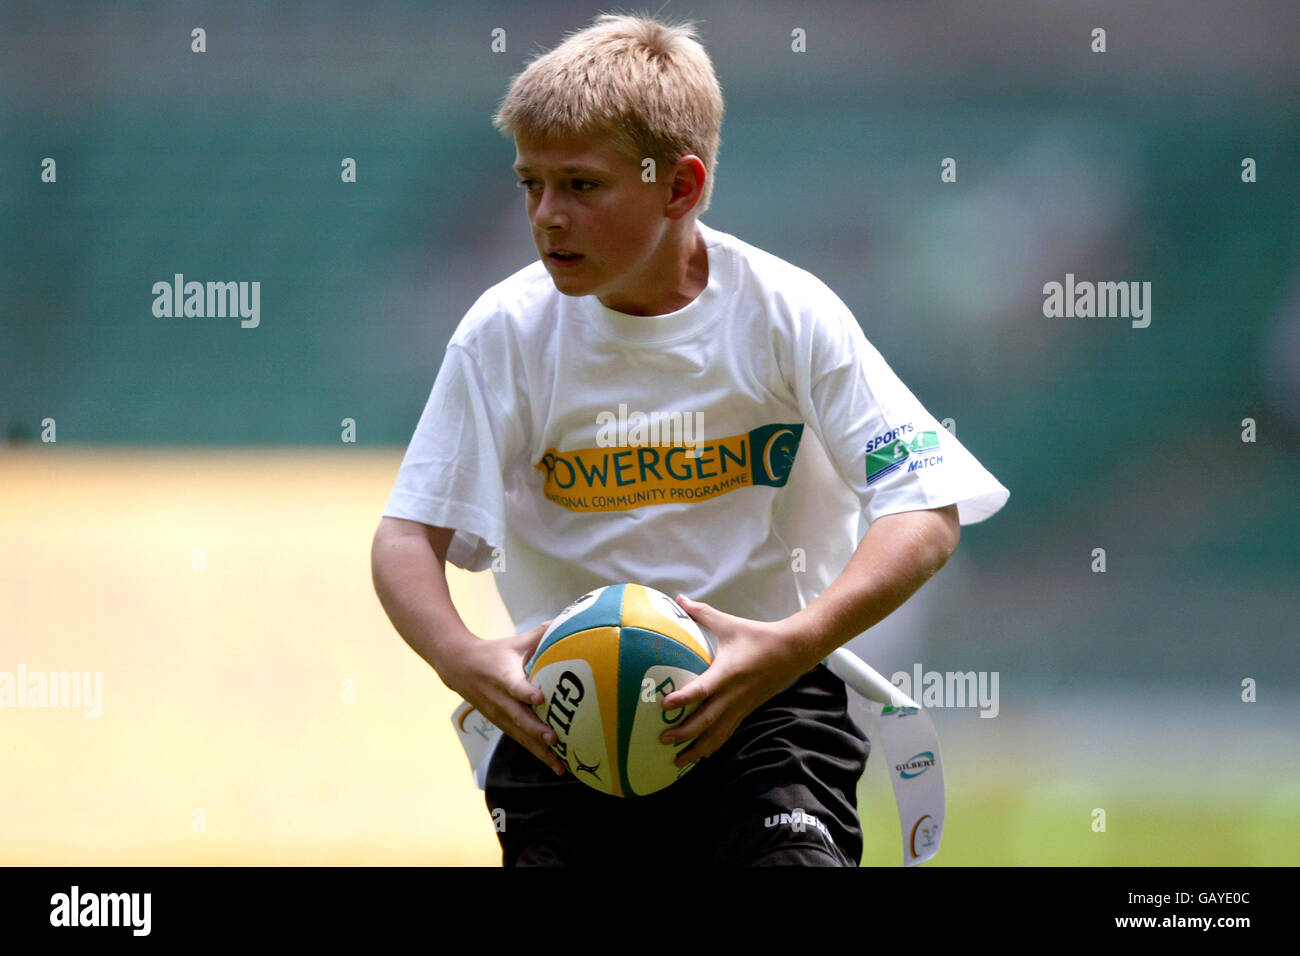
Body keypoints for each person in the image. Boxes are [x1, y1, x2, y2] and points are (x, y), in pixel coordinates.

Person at [371, 13, 1008, 866]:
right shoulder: (503, 334)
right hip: (566, 711)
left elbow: (926, 512)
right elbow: (406, 536)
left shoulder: (788, 314)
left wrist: (793, 644)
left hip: (767, 702)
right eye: (532, 185)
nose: (547, 216)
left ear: (680, 187)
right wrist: (463, 657)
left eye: (582, 186)